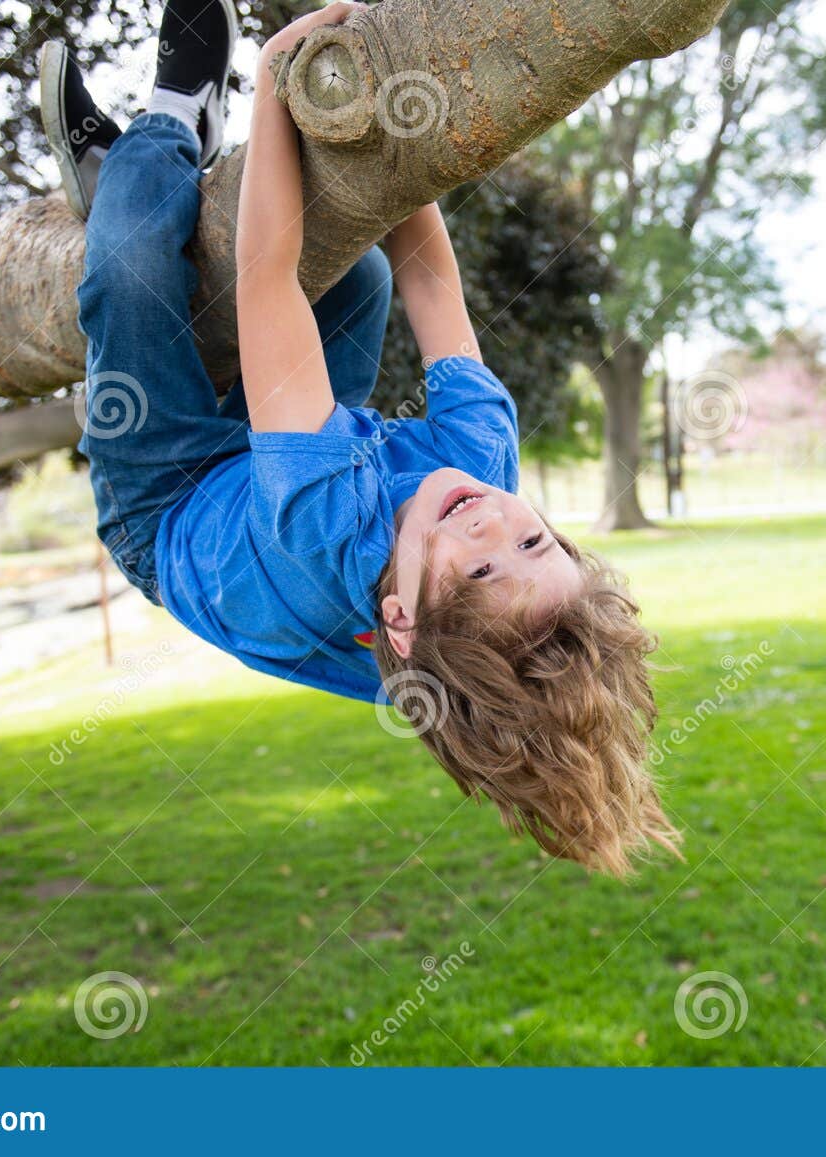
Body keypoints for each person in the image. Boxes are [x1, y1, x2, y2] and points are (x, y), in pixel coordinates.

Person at [39, 0, 679, 875]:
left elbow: (268, 285)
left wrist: (270, 80)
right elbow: (432, 286)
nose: (495, 525)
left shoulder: (327, 525)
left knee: (131, 272)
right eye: (534, 539)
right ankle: (125, 179)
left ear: (401, 622)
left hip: (176, 506)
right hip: (304, 483)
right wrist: (391, 156)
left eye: (484, 568)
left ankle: (165, 124)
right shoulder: (480, 469)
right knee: (365, 274)